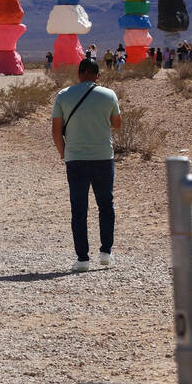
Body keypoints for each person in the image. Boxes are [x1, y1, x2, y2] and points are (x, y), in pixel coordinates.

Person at [51, 58, 122, 272]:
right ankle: (106, 253)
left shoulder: (63, 96)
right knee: (106, 205)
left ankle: (82, 259)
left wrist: (65, 154)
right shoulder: (109, 95)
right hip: (102, 157)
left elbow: (56, 131)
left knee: (79, 209)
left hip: (76, 159)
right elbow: (116, 124)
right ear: (98, 75)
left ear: (79, 73)